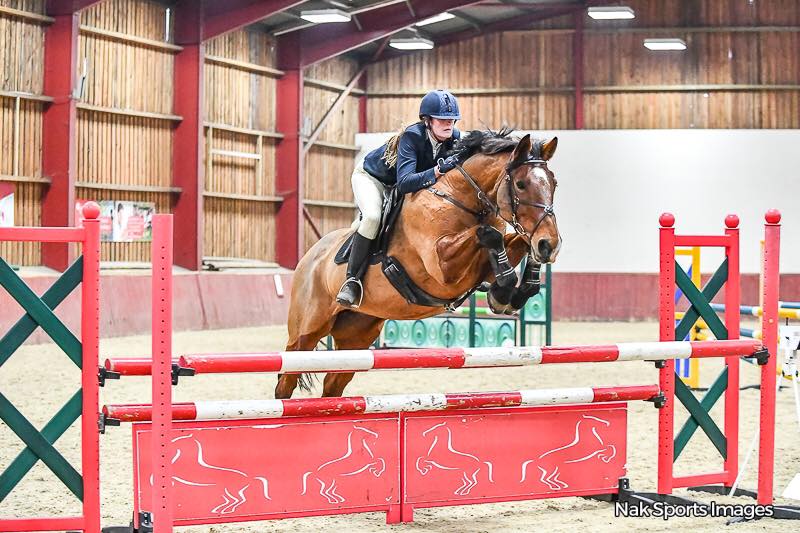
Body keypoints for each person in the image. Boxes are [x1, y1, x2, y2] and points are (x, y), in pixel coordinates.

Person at [336, 89, 463, 308]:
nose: (448, 124)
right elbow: (405, 183)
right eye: (442, 119)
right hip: (373, 178)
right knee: (373, 218)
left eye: (452, 119)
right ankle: (352, 281)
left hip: (401, 185)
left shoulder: (455, 139)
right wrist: (436, 172)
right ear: (427, 121)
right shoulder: (412, 136)